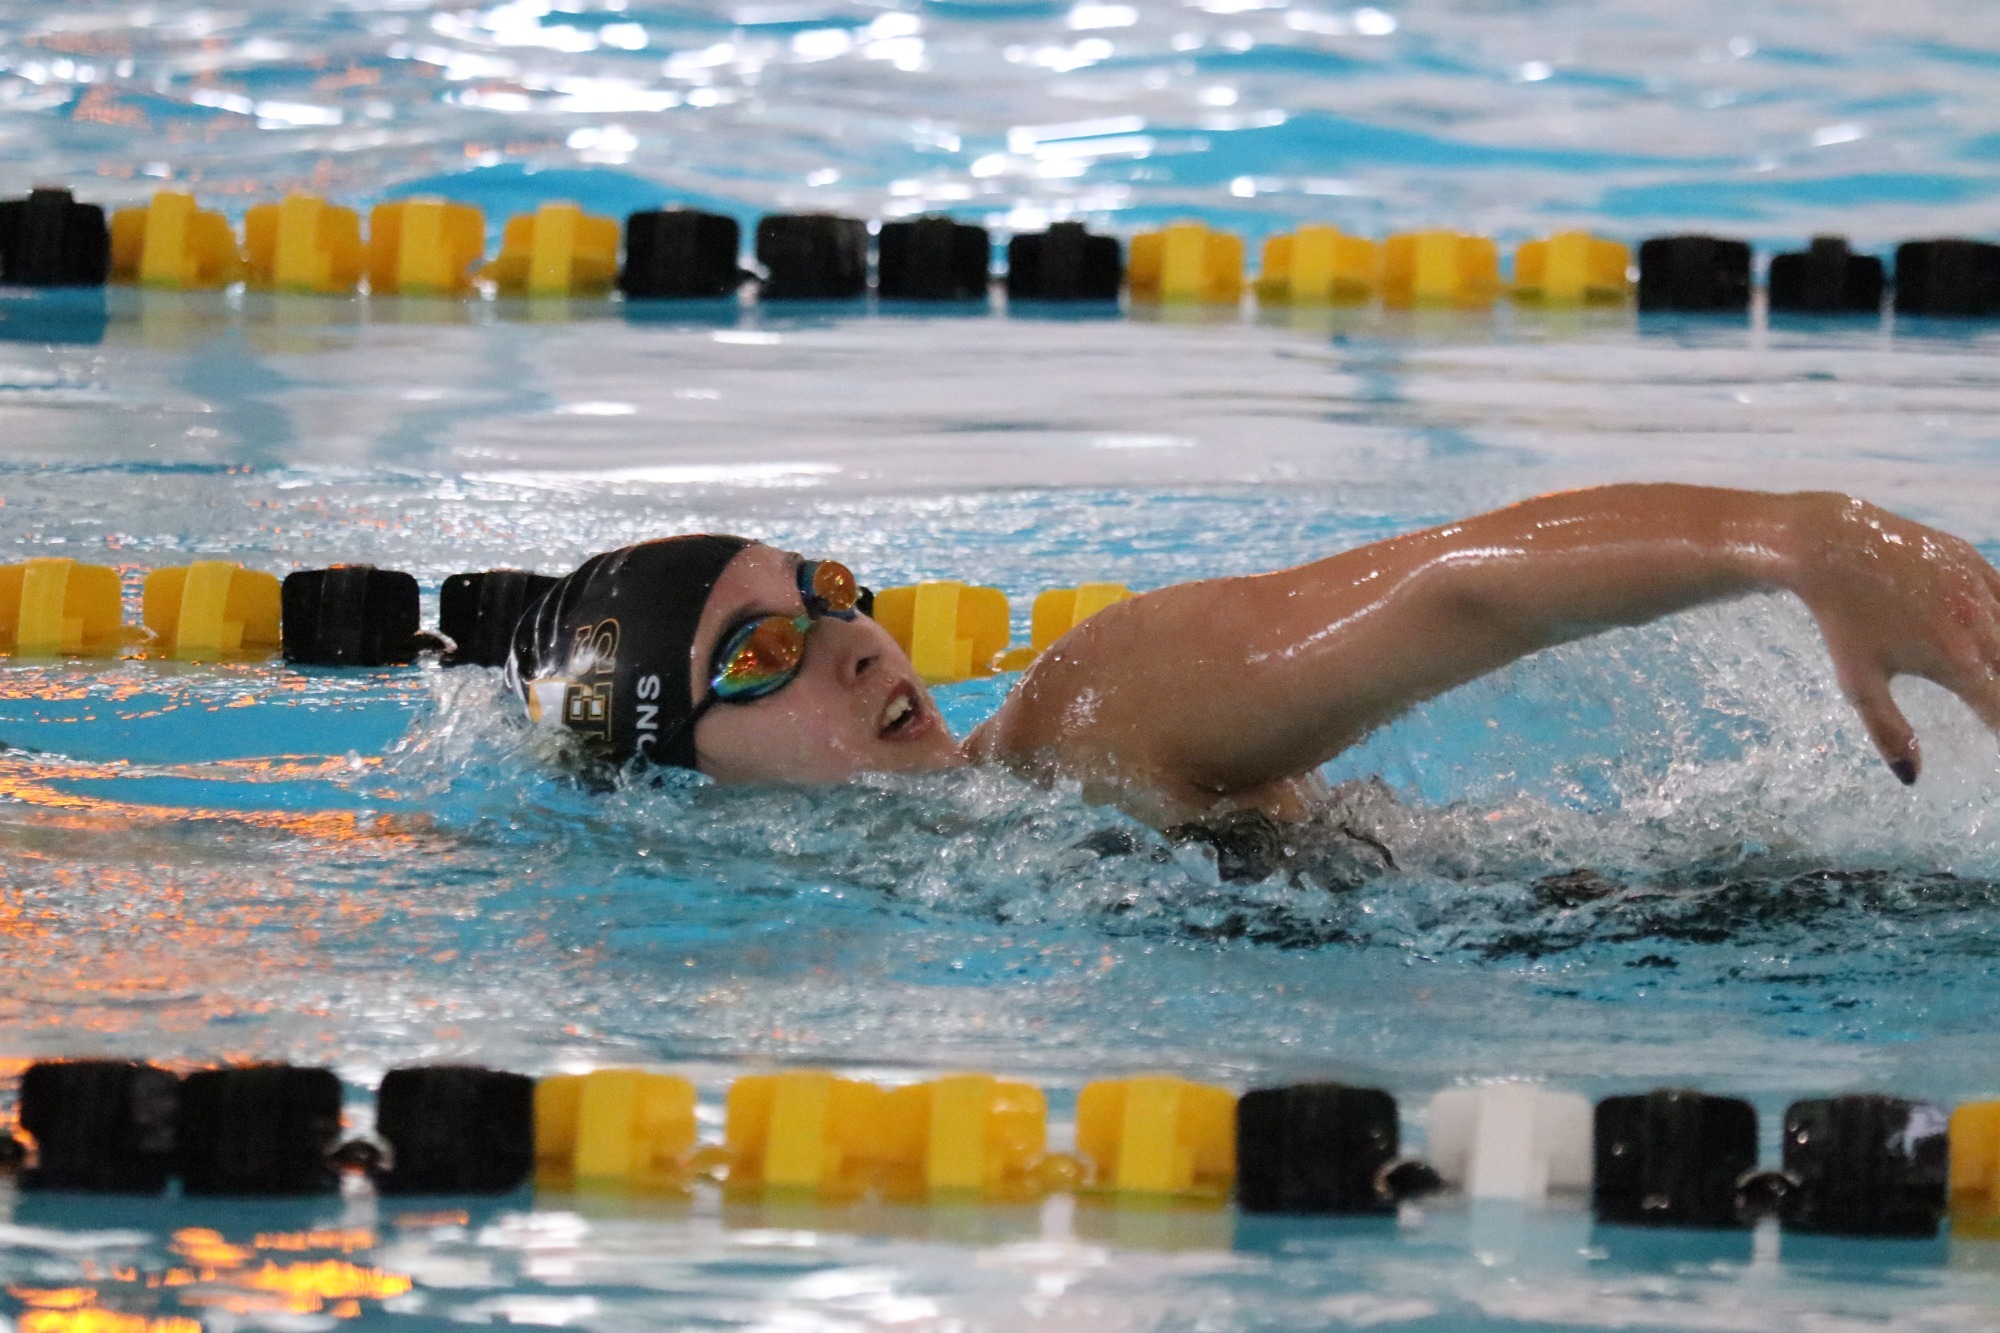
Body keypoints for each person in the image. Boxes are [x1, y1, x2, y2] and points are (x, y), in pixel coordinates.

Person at [508, 484, 2000, 831]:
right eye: (766, 647)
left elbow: (1440, 595)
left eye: (827, 591)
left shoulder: (1089, 721)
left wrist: (1793, 536)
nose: (850, 640)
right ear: (676, 781)